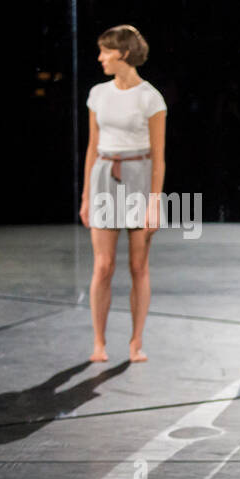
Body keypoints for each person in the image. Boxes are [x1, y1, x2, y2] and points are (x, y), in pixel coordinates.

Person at [80, 24, 167, 364]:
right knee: (103, 266)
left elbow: (159, 158)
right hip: (104, 175)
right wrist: (87, 195)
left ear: (124, 54)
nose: (101, 57)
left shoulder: (150, 97)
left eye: (106, 51)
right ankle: (99, 342)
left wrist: (155, 203)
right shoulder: (98, 93)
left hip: (139, 177)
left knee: (138, 265)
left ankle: (135, 341)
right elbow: (91, 147)